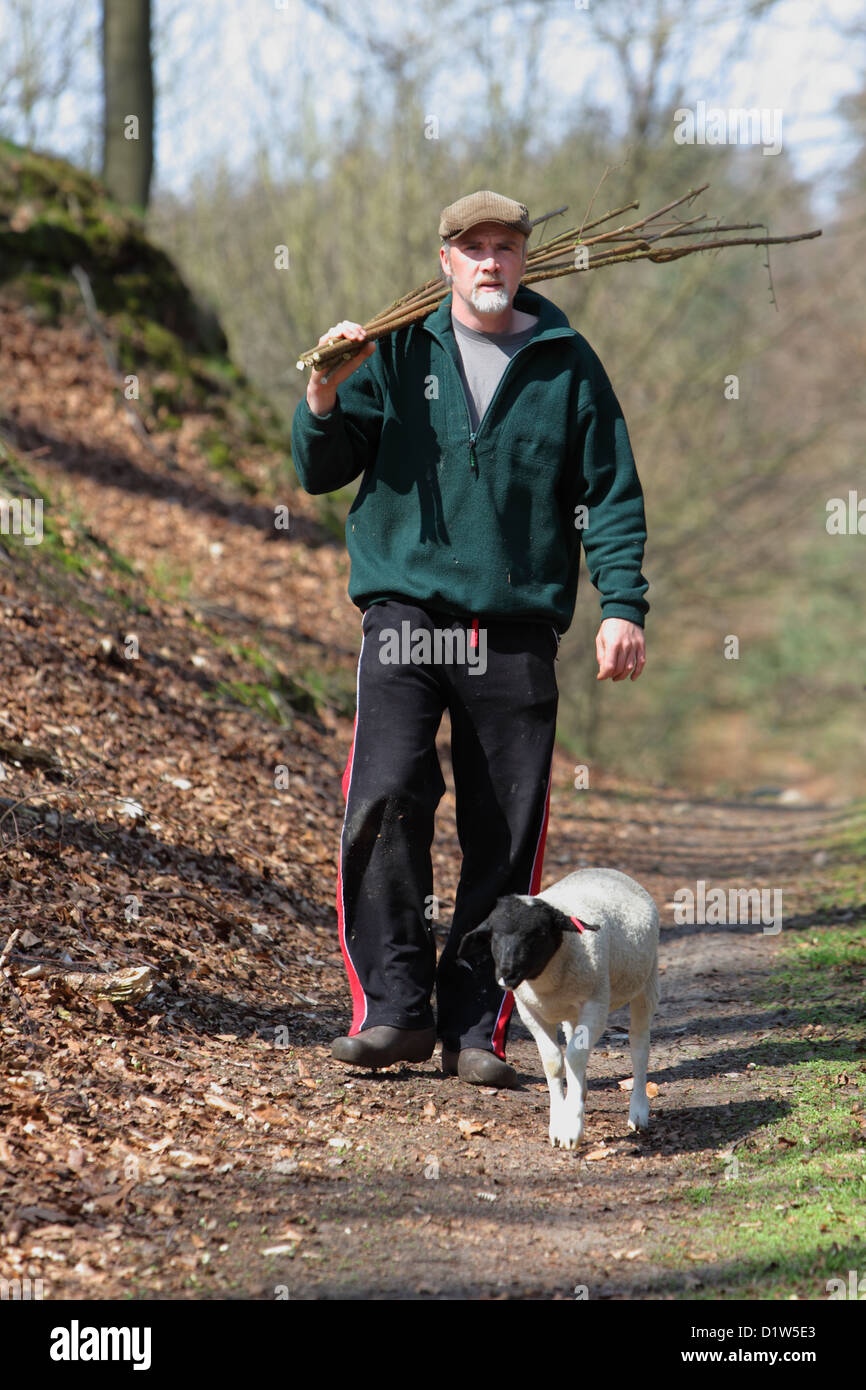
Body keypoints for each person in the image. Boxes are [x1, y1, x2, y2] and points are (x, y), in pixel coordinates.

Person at [290, 190, 648, 1088]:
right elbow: (322, 468)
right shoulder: (399, 347)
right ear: (444, 259)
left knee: (507, 832)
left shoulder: (565, 363)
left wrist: (622, 604)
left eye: (506, 247)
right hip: (407, 617)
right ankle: (395, 1012)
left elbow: (610, 492)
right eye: (473, 247)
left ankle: (480, 1025)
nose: (490, 261)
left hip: (516, 626)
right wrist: (324, 393)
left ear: (525, 259)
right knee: (385, 796)